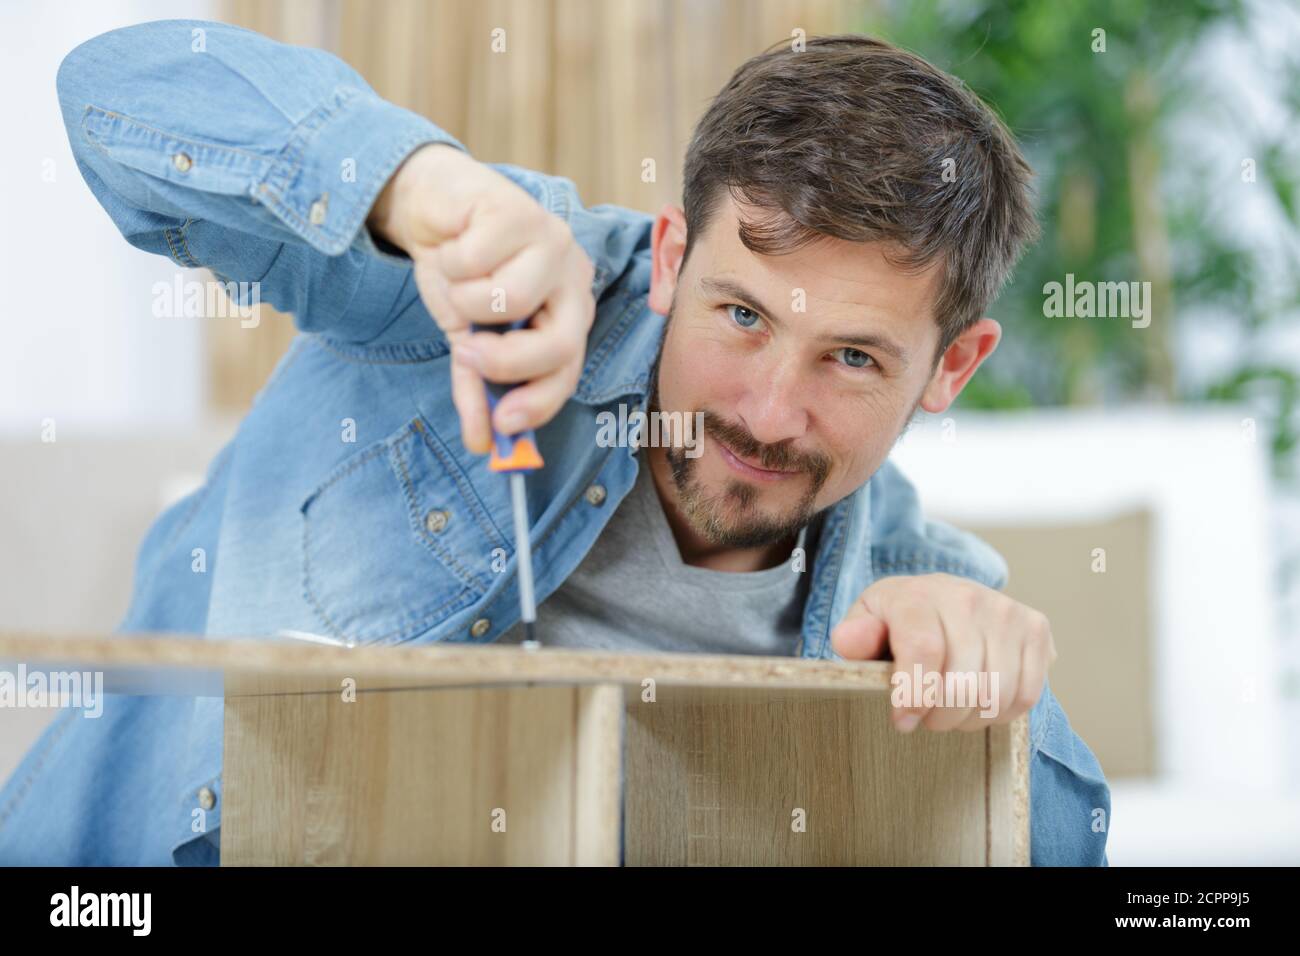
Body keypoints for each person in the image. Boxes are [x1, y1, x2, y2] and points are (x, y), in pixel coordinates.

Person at [0, 19, 1109, 865]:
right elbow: (110, 89)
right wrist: (417, 189)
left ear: (951, 368)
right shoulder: (477, 285)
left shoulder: (917, 599)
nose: (769, 413)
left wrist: (984, 702)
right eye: (741, 315)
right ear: (671, 257)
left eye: (853, 359)